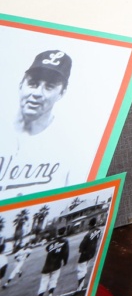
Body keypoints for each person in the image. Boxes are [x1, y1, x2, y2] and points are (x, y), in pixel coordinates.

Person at [4, 50, 83, 194]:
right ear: (21, 85)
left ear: (62, 93)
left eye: (49, 87)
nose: (37, 93)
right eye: (33, 84)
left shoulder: (70, 151)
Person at [34, 230, 69, 296]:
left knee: (43, 284)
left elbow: (47, 248)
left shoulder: (53, 243)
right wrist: (65, 261)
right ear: (63, 234)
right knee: (53, 281)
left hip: (46, 266)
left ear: (57, 234)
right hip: (56, 265)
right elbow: (65, 252)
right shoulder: (65, 241)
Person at [73, 220, 101, 294]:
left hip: (86, 253)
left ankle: (79, 287)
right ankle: (81, 285)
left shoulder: (88, 234)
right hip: (92, 251)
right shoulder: (98, 230)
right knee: (84, 268)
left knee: (81, 269)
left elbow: (82, 245)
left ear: (90, 225)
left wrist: (81, 250)